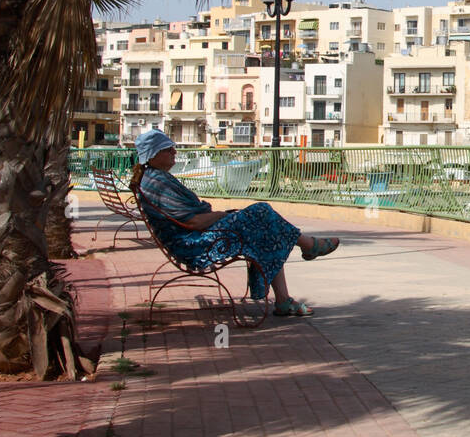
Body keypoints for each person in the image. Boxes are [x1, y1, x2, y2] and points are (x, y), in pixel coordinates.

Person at [128, 129, 339, 317]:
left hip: (194, 237)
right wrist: (222, 215)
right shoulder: (157, 182)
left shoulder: (154, 177)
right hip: (193, 245)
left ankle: (285, 297)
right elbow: (193, 222)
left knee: (265, 226)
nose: (174, 152)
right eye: (168, 149)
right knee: (261, 212)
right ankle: (308, 247)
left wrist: (224, 215)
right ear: (154, 155)